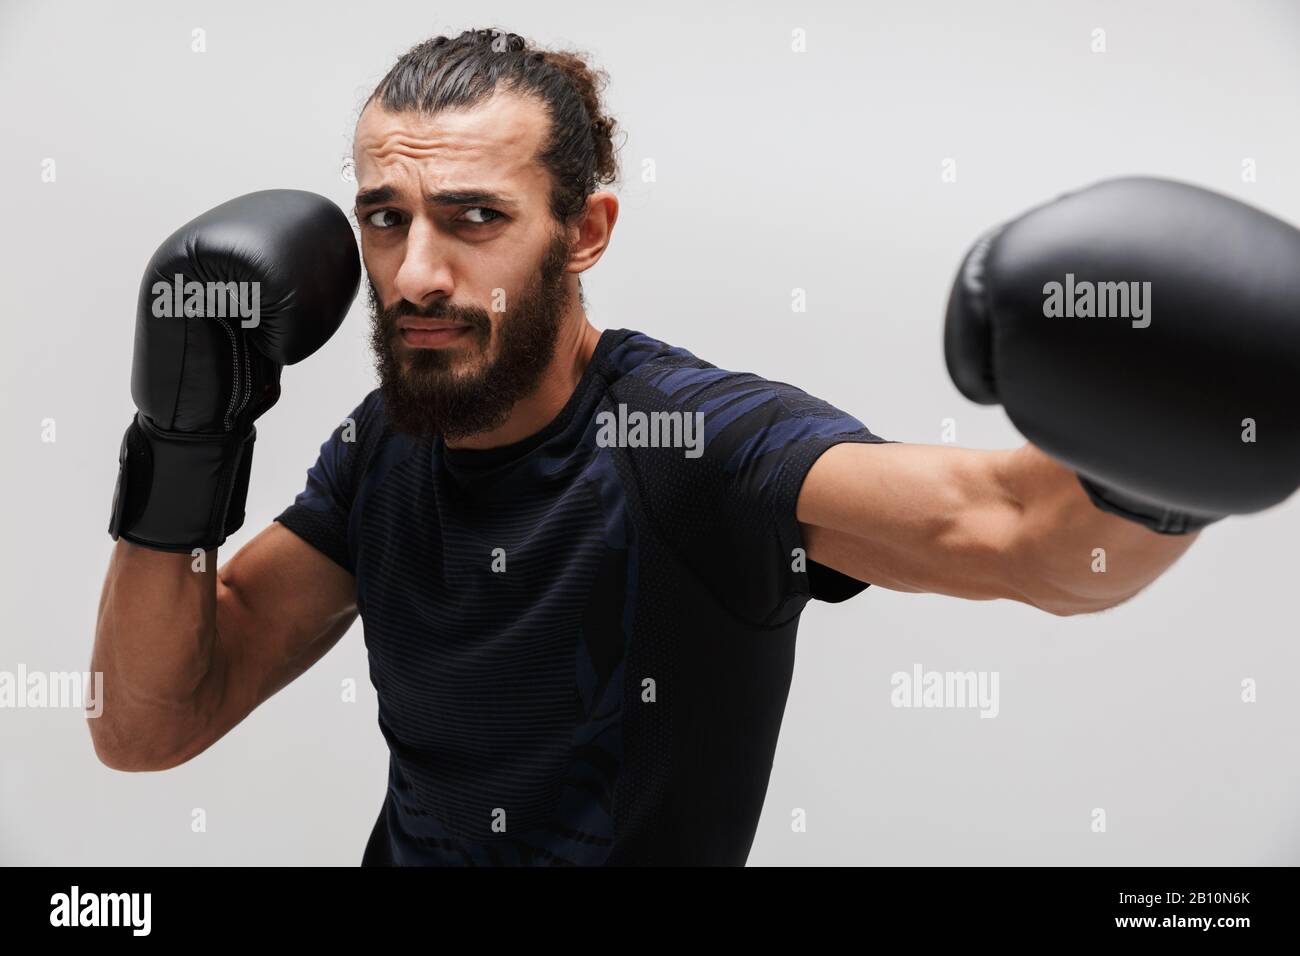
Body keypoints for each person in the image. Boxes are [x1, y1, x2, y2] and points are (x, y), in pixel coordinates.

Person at [89, 28, 1300, 866]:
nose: (415, 274)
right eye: (385, 218)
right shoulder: (384, 447)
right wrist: (184, 436)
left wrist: (1182, 436)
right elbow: (150, 723)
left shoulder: (690, 441)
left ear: (586, 232)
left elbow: (1022, 537)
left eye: (473, 219)